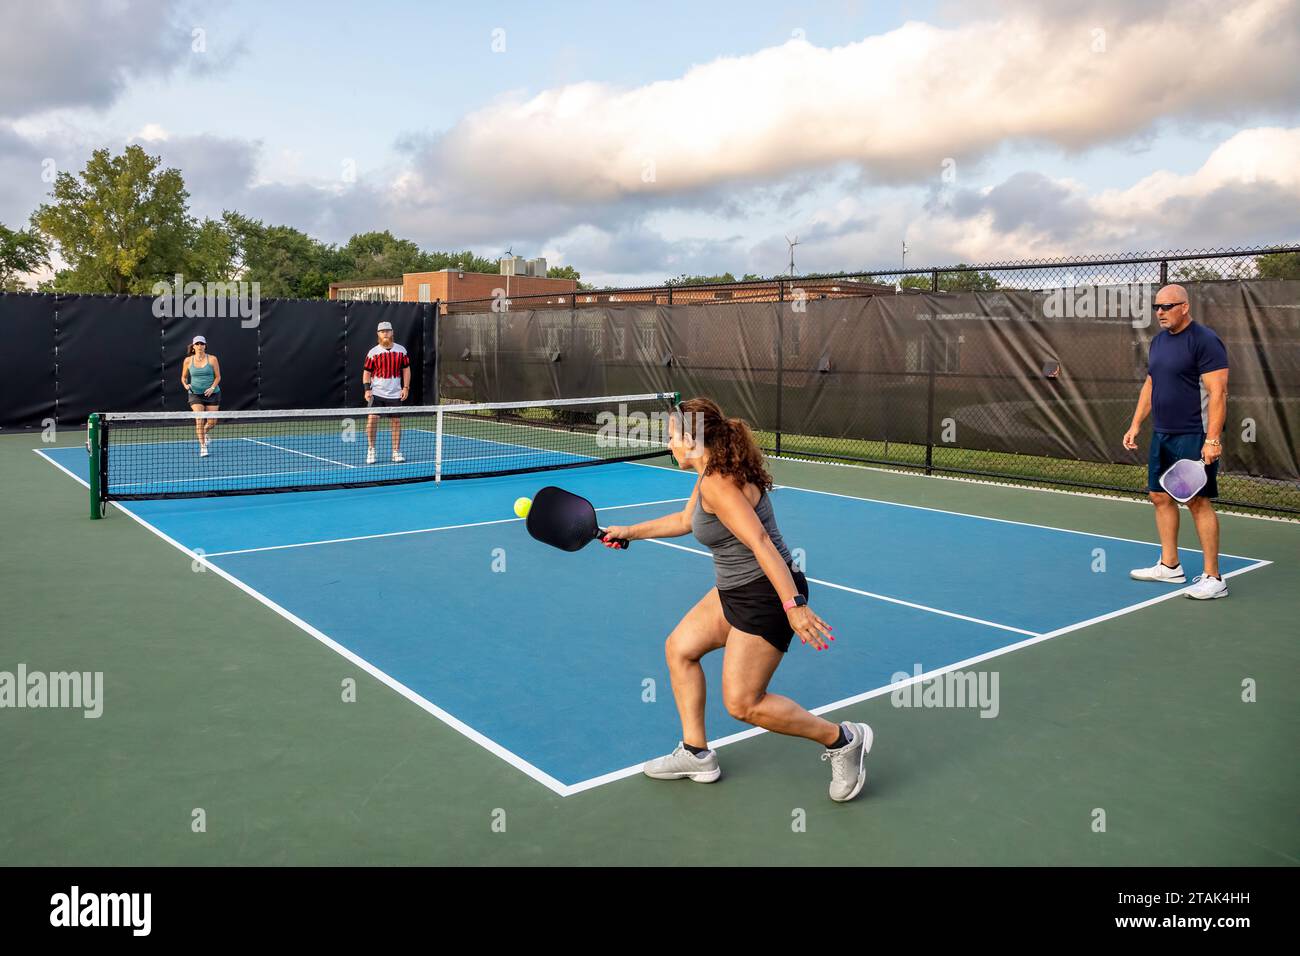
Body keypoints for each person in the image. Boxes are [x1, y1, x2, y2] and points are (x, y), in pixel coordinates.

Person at [602, 397, 872, 802]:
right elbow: (682, 520)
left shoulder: (717, 484)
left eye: (673, 437)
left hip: (764, 596)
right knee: (680, 648)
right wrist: (628, 531)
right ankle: (696, 753)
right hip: (734, 590)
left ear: (693, 440)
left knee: (745, 704)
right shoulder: (710, 472)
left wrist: (794, 606)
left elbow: (761, 543)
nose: (669, 445)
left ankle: (843, 740)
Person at [1123, 284, 1230, 599]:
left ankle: (1214, 578)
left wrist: (1212, 440)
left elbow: (1218, 392)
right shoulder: (1157, 342)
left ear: (1185, 306)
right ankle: (1170, 566)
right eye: (1157, 307)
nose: (1160, 312)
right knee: (1159, 496)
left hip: (1194, 434)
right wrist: (1136, 424)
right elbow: (1151, 384)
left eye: (1167, 306)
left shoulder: (1205, 341)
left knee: (1197, 502)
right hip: (1163, 433)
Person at [363, 321, 410, 465]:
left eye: (387, 331)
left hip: (395, 394)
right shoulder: (373, 353)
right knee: (372, 419)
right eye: (382, 331)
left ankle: (396, 452)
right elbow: (366, 373)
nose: (385, 333)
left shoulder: (401, 351)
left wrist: (406, 387)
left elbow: (406, 370)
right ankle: (371, 450)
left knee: (396, 421)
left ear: (392, 332)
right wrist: (367, 389)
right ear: (378, 334)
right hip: (377, 393)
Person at [180, 335, 221, 457]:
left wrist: (212, 387)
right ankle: (203, 446)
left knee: (212, 422)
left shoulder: (212, 359)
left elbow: (218, 377)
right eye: (197, 344)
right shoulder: (188, 361)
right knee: (199, 419)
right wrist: (186, 385)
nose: (199, 346)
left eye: (201, 344)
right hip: (195, 394)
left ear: (205, 346)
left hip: (212, 393)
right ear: (193, 346)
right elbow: (183, 377)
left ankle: (203, 433)